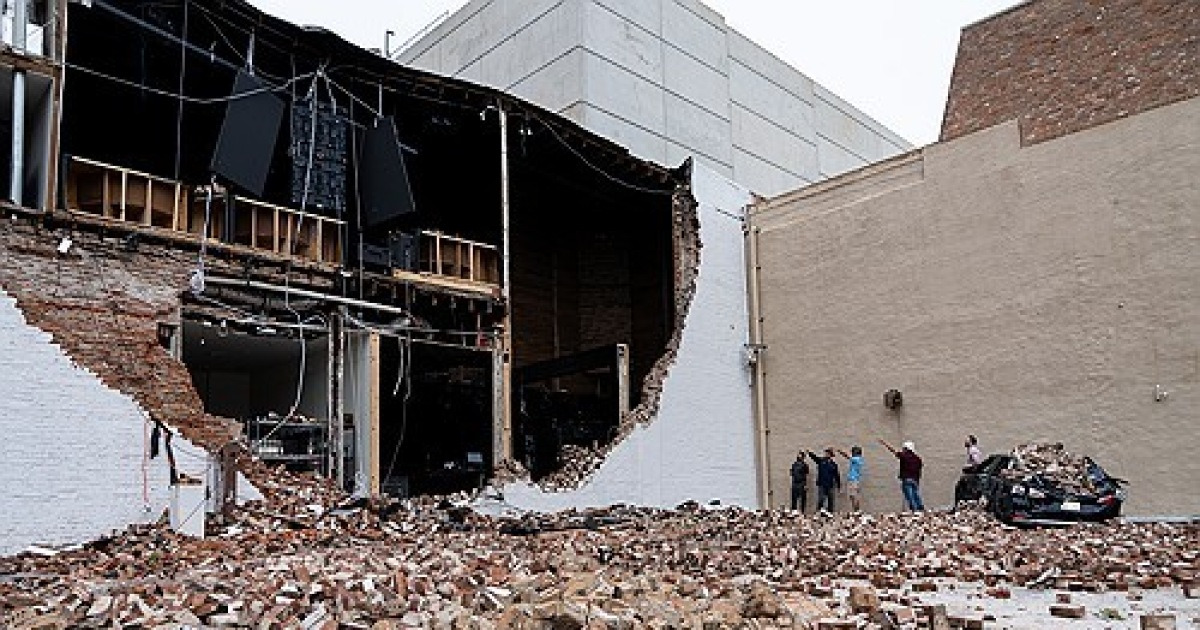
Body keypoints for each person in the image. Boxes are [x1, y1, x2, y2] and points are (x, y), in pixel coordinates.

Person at [879, 439, 924, 511]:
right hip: (915, 480)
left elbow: (894, 451)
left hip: (907, 479)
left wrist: (885, 444)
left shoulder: (904, 456)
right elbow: (920, 469)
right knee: (916, 495)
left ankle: (915, 510)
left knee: (910, 496)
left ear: (906, 448)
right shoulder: (918, 459)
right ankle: (921, 508)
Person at [807, 448, 841, 513]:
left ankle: (830, 513)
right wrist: (809, 453)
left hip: (830, 485)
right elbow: (815, 458)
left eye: (827, 453)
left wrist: (838, 485)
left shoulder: (834, 465)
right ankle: (818, 512)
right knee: (821, 499)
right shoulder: (821, 461)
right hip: (821, 484)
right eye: (826, 453)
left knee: (830, 500)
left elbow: (837, 476)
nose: (826, 454)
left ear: (830, 455)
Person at [836, 446, 865, 512]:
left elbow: (847, 456)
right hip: (854, 480)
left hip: (853, 480)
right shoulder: (859, 459)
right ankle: (855, 510)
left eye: (852, 452)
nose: (852, 453)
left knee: (854, 496)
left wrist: (840, 451)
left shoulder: (857, 459)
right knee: (852, 496)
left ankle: (857, 511)